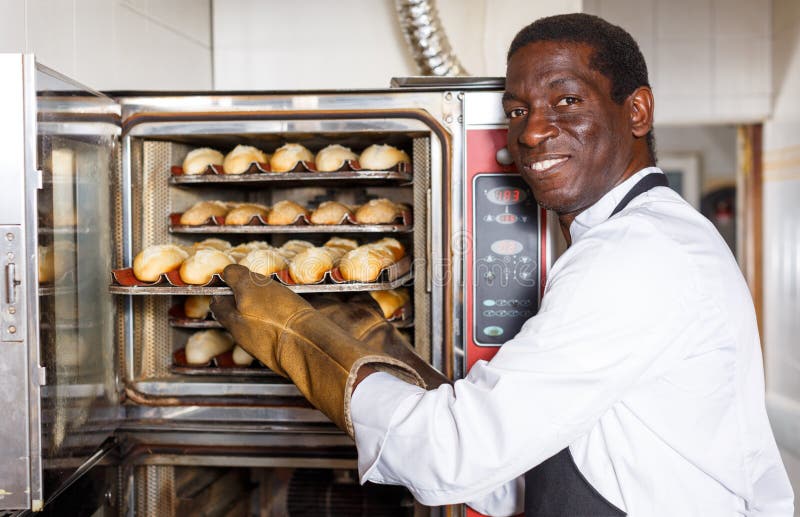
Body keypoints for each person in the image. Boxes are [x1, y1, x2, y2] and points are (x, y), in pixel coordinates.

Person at [212, 13, 794, 517]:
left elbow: (456, 455)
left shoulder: (636, 257)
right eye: (517, 111)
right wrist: (400, 368)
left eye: (567, 100)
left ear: (636, 110)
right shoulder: (635, 238)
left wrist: (300, 340)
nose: (533, 132)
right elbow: (537, 450)